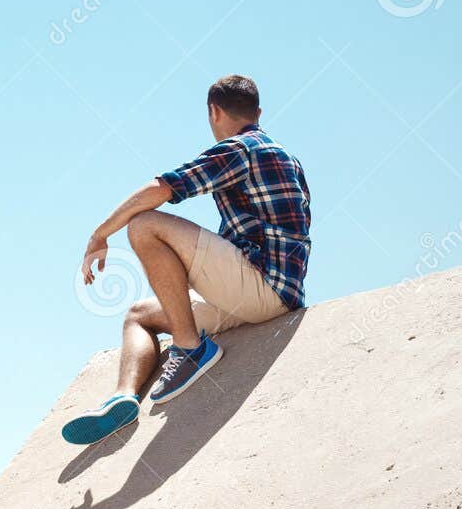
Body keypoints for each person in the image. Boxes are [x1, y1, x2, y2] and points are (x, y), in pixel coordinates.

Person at [63, 75, 311, 445]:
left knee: (144, 225)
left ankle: (191, 348)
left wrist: (100, 234)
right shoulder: (288, 158)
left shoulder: (240, 149)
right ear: (258, 112)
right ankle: (124, 398)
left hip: (261, 285)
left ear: (214, 111)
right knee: (139, 316)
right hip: (272, 297)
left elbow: (163, 188)